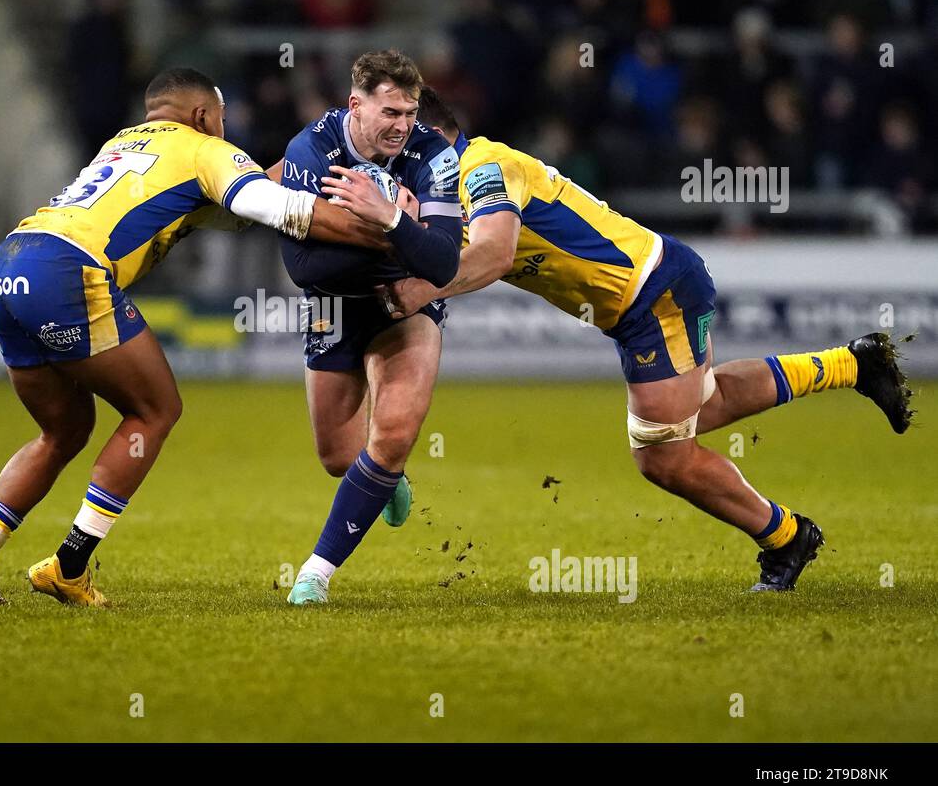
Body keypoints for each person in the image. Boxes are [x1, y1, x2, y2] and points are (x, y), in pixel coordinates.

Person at [385, 86, 914, 592]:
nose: (396, 162)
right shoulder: (451, 191)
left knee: (662, 454)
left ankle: (787, 537)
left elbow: (494, 254)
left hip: (654, 293)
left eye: (401, 145)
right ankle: (855, 365)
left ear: (430, 135)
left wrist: (416, 289)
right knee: (707, 402)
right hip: (647, 293)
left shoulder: (484, 169)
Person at [0, 67, 393, 606]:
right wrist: (389, 234)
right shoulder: (203, 147)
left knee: (64, 431)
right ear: (203, 116)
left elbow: (231, 212)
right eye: (221, 123)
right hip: (68, 272)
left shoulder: (123, 143)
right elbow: (275, 207)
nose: (225, 134)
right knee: (156, 409)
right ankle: (70, 564)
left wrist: (300, 167)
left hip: (10, 263)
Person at [272, 50, 462, 605]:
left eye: (409, 112)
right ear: (356, 105)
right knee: (337, 456)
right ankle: (386, 476)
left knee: (396, 428)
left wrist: (387, 218)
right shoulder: (310, 151)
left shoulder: (436, 155)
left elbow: (444, 264)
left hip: (404, 307)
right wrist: (402, 235)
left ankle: (315, 574)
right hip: (331, 304)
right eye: (390, 112)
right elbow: (303, 267)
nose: (402, 125)